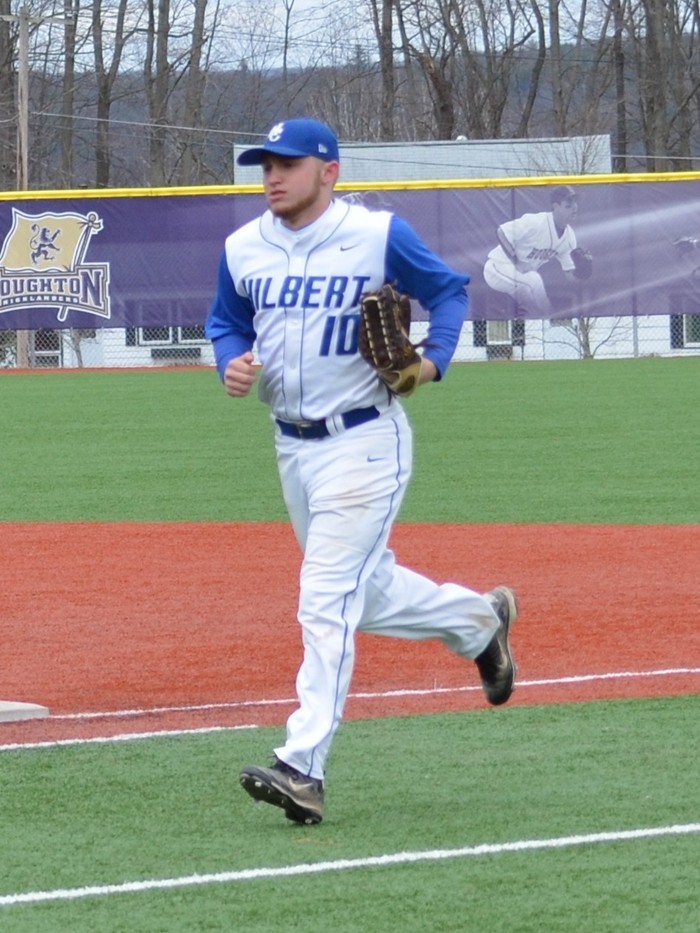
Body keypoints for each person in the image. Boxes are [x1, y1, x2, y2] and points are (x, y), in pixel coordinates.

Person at [205, 117, 518, 826]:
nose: (272, 175)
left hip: (366, 440)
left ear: (330, 172)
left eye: (288, 163)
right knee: (362, 593)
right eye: (266, 164)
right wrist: (230, 359)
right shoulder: (242, 247)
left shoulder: (377, 235)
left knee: (324, 597)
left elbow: (450, 290)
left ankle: (303, 766)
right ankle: (479, 622)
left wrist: (432, 361)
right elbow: (225, 319)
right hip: (292, 445)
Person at [483, 184, 581, 316]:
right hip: (496, 268)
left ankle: (544, 321)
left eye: (575, 202)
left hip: (520, 281)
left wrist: (582, 273)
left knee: (532, 307)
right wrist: (517, 261)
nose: (574, 207)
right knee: (534, 281)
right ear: (555, 206)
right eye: (568, 204)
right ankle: (552, 318)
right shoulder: (536, 222)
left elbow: (569, 274)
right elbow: (501, 232)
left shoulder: (569, 238)